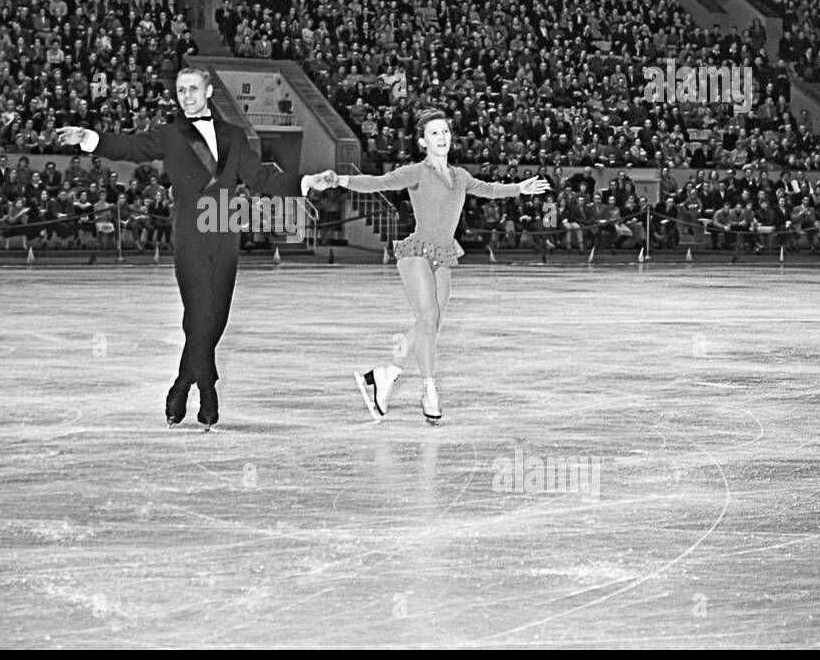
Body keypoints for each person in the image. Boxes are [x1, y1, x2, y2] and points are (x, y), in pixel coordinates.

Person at [57, 66, 334, 430]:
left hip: (225, 224)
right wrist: (88, 138)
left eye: (192, 89)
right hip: (191, 227)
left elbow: (261, 177)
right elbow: (130, 147)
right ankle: (206, 387)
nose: (186, 96)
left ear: (207, 93)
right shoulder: (169, 134)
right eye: (181, 90)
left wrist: (306, 181)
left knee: (214, 318)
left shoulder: (234, 135)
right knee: (199, 313)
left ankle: (181, 383)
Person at [328, 109, 550, 424]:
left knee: (431, 324)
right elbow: (380, 182)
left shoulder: (460, 176)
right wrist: (341, 179)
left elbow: (488, 189)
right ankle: (429, 390)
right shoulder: (416, 172)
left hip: (443, 254)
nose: (442, 137)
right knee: (429, 317)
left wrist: (519, 188)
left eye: (445, 131)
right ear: (423, 141)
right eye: (434, 133)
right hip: (416, 252)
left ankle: (387, 373)